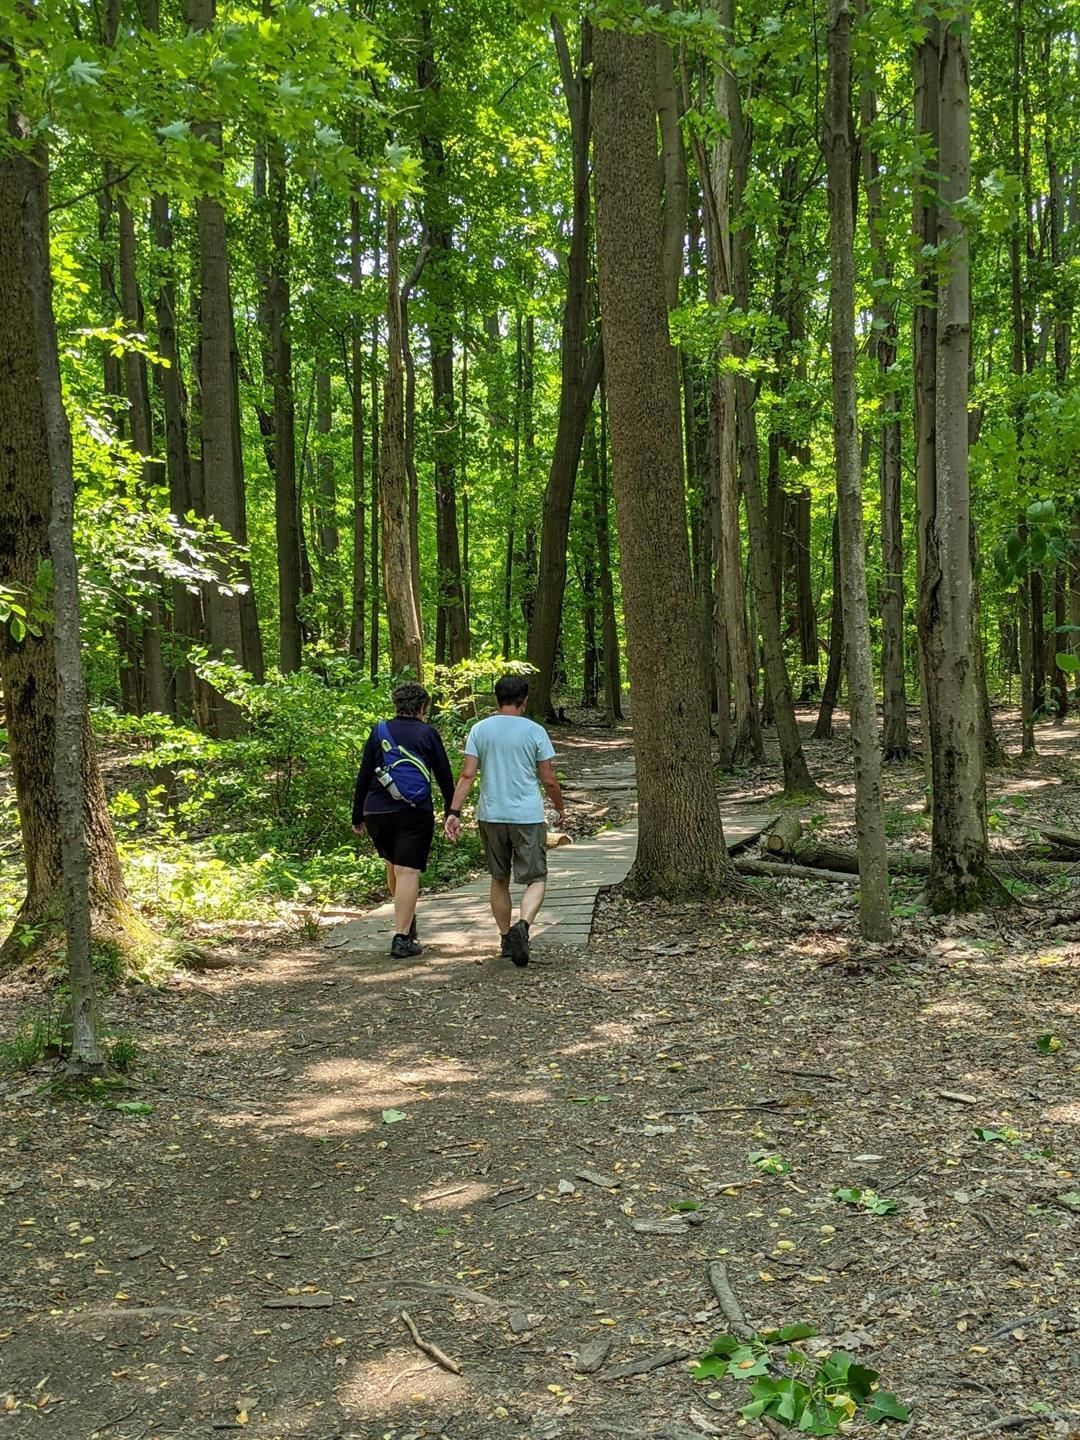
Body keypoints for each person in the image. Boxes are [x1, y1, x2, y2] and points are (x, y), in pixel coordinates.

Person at [444, 674, 564, 967]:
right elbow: (548, 779)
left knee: (499, 879)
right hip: (526, 816)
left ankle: (506, 938)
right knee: (536, 878)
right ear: (524, 701)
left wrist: (454, 812)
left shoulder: (479, 730)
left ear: (497, 699)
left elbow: (468, 775)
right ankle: (523, 926)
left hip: (491, 814)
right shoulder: (535, 731)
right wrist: (560, 807)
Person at [352, 681, 455, 959]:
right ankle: (401, 937)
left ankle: (405, 922)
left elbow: (364, 774)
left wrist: (357, 814)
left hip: (377, 811)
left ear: (396, 704)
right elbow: (444, 775)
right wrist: (452, 811)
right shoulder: (427, 733)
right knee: (408, 871)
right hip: (414, 810)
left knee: (394, 866)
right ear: (423, 707)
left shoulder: (379, 731)